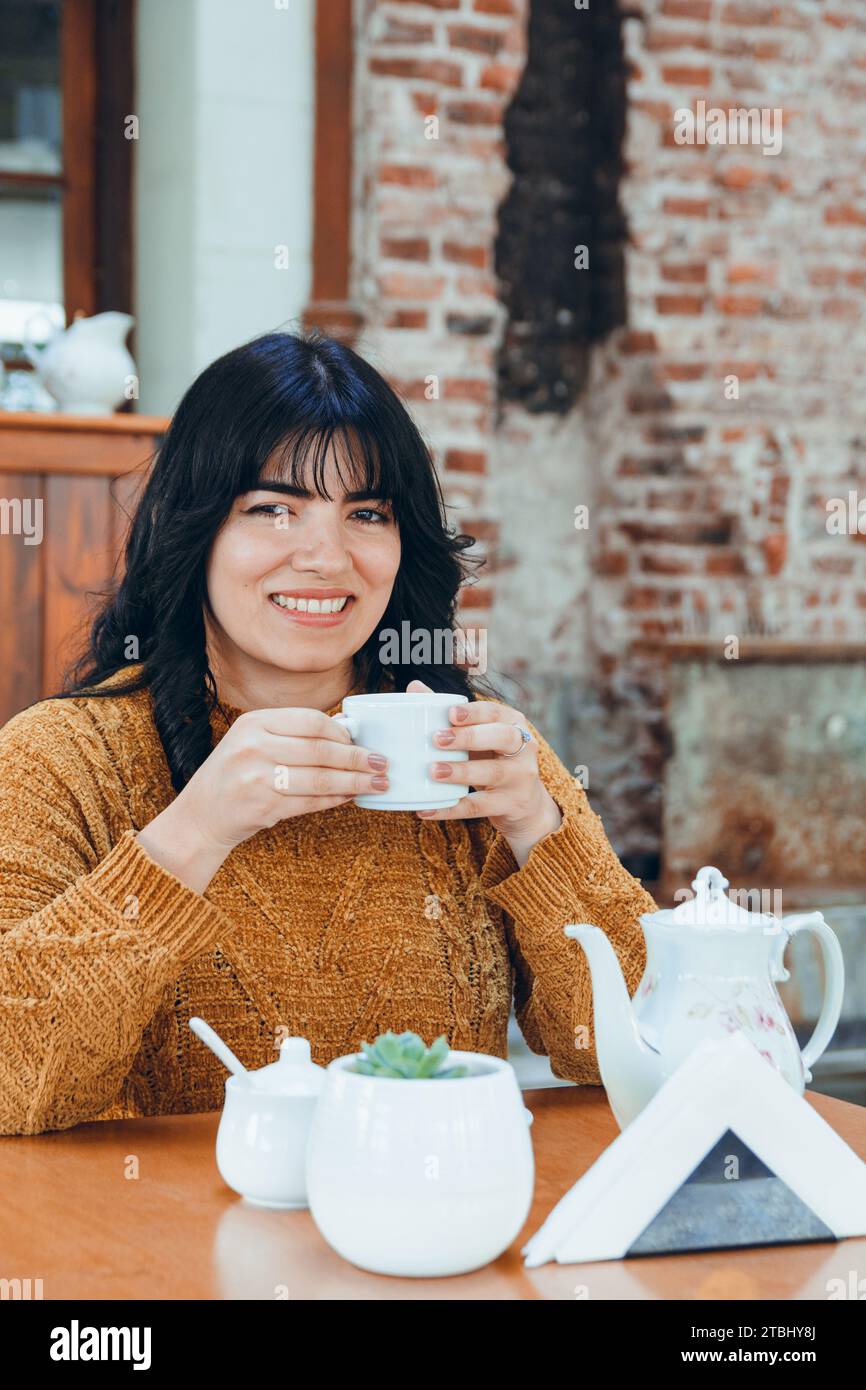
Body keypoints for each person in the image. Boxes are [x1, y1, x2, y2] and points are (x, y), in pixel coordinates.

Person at [0, 330, 657, 1136]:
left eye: (367, 513)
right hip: (159, 1252)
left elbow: (629, 1049)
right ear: (195, 529)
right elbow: (13, 1086)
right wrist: (191, 836)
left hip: (429, 1236)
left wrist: (540, 833)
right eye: (273, 508)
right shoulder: (61, 760)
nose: (325, 556)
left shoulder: (473, 751)